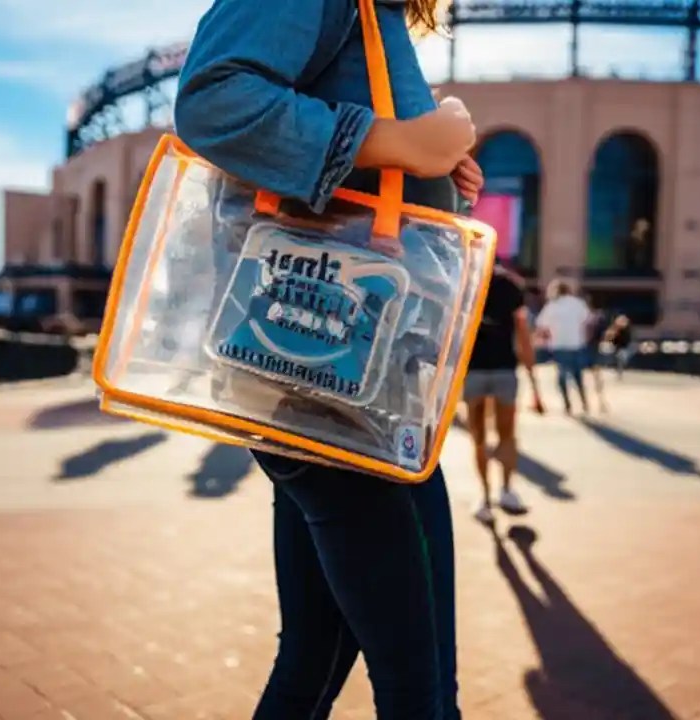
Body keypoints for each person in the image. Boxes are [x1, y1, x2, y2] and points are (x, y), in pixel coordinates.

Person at [174, 1, 475, 716]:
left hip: (350, 378)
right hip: (325, 374)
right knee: (420, 687)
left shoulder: (377, 12)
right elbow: (214, 99)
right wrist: (395, 139)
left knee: (316, 655)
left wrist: (429, 163)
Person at [462, 266, 544, 525]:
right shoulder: (510, 286)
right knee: (506, 435)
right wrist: (534, 384)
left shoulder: (465, 280)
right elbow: (522, 334)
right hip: (504, 369)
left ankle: (485, 498)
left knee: (478, 438)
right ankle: (506, 490)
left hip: (472, 370)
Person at [535, 280, 591, 415]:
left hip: (558, 343)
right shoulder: (578, 303)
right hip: (576, 343)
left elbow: (541, 324)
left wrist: (543, 337)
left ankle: (567, 403)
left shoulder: (552, 305)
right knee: (577, 374)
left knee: (562, 373)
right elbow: (587, 320)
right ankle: (583, 400)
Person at [581, 295, 610, 413]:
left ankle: (593, 402)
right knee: (595, 376)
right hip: (592, 347)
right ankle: (598, 402)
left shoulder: (590, 317)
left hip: (588, 347)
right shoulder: (596, 316)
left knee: (589, 376)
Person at [606, 314, 633, 381]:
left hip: (624, 347)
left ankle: (619, 371)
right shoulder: (615, 329)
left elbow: (628, 339)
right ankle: (618, 372)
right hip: (617, 347)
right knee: (619, 359)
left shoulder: (627, 330)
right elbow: (610, 338)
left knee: (621, 359)